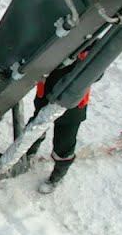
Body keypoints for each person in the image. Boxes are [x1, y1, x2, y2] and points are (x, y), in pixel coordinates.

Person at [28, 51, 92, 194]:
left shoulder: (92, 42)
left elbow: (98, 73)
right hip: (45, 95)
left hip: (72, 106)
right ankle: (27, 155)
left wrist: (86, 59)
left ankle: (57, 176)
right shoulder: (57, 32)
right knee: (34, 129)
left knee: (64, 145)